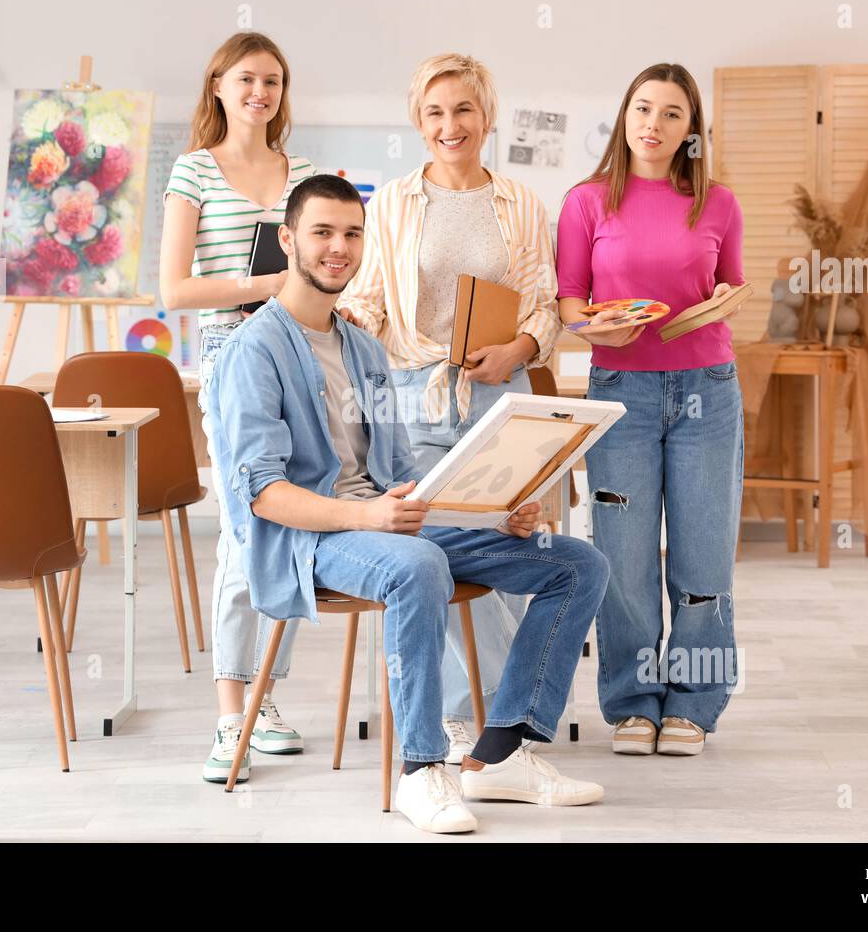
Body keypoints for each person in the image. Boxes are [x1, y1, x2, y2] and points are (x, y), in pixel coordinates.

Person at [209, 175, 609, 833]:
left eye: (351, 234)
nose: (339, 248)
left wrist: (491, 512)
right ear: (287, 241)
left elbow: (398, 478)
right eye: (322, 233)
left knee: (574, 565)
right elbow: (264, 497)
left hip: (385, 524)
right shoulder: (253, 351)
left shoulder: (363, 349)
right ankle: (423, 770)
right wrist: (365, 516)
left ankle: (503, 752)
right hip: (314, 536)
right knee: (417, 565)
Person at [336, 54, 561, 762]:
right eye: (434, 113)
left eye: (462, 109)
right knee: (447, 546)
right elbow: (368, 301)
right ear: (418, 122)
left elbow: (546, 305)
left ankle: (487, 726)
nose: (449, 125)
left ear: (486, 116)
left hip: (503, 399)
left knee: (513, 546)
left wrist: (519, 349)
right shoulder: (395, 202)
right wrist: (330, 330)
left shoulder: (521, 203)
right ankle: (491, 729)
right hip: (417, 399)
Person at [556, 63, 745, 757]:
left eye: (671, 113)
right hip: (619, 392)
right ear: (624, 115)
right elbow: (570, 300)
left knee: (703, 559)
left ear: (691, 129)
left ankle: (694, 705)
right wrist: (595, 328)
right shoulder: (585, 201)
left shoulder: (717, 203)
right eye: (642, 108)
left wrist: (724, 301)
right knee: (623, 557)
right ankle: (634, 703)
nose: (653, 125)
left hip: (708, 391)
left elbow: (732, 285)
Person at [159, 32, 315, 783]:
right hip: (231, 355)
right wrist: (271, 286)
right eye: (248, 79)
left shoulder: (305, 173)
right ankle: (229, 716)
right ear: (218, 83)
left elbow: (327, 264)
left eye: (274, 81)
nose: (262, 92)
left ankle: (266, 700)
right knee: (241, 533)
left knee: (291, 529)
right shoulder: (194, 170)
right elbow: (175, 292)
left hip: (301, 353)